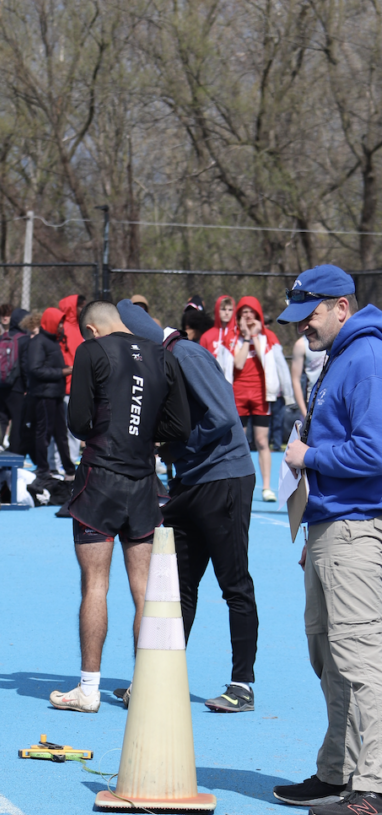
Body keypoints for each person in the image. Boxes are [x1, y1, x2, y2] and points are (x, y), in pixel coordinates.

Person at [276, 266, 382, 815]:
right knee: (329, 657)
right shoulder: (341, 356)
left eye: (310, 315)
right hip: (330, 526)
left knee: (360, 660)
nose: (302, 328)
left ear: (342, 306)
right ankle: (338, 771)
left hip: (357, 528)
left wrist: (307, 458)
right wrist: (313, 521)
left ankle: (375, 786)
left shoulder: (366, 357)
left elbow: (375, 452)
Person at [118, 299, 259, 713]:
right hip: (190, 482)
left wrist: (172, 444)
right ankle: (156, 678)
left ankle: (242, 685)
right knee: (176, 587)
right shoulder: (159, 359)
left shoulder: (186, 354)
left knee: (234, 583)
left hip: (224, 477)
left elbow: (223, 417)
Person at [51, 300, 190, 712]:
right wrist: (143, 431)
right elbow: (179, 425)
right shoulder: (162, 355)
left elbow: (77, 421)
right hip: (143, 482)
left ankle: (88, 690)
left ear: (92, 329)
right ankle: (144, 687)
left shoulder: (91, 351)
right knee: (144, 589)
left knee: (96, 584)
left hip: (100, 478)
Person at [228, 296, 280, 501]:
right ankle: (237, 483)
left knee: (261, 441)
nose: (248, 315)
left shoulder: (268, 337)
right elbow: (238, 364)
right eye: (244, 312)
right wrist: (247, 337)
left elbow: (267, 358)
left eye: (251, 312)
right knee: (239, 442)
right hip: (238, 395)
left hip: (261, 396)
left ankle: (266, 487)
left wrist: (257, 336)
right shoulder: (233, 338)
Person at [27, 307, 74, 479]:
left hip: (55, 395)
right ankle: (43, 469)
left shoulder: (53, 341)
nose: (61, 326)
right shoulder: (38, 342)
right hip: (45, 395)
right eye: (59, 322)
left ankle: (69, 470)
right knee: (44, 433)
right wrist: (62, 372)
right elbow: (35, 369)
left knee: (62, 435)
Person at [0, 309, 28, 453]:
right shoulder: (24, 339)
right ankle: (15, 454)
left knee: (1, 417)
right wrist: (27, 386)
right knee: (18, 421)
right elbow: (24, 365)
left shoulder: (1, 338)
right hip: (16, 387)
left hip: (0, 385)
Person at [58, 294, 85, 468]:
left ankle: (68, 462)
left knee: (73, 429)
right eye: (80, 307)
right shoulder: (64, 330)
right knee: (62, 429)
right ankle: (60, 464)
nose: (82, 310)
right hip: (65, 386)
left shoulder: (78, 329)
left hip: (75, 386)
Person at [199, 295, 236, 359]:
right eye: (223, 309)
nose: (227, 313)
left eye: (230, 310)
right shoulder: (206, 337)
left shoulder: (236, 334)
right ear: (217, 310)